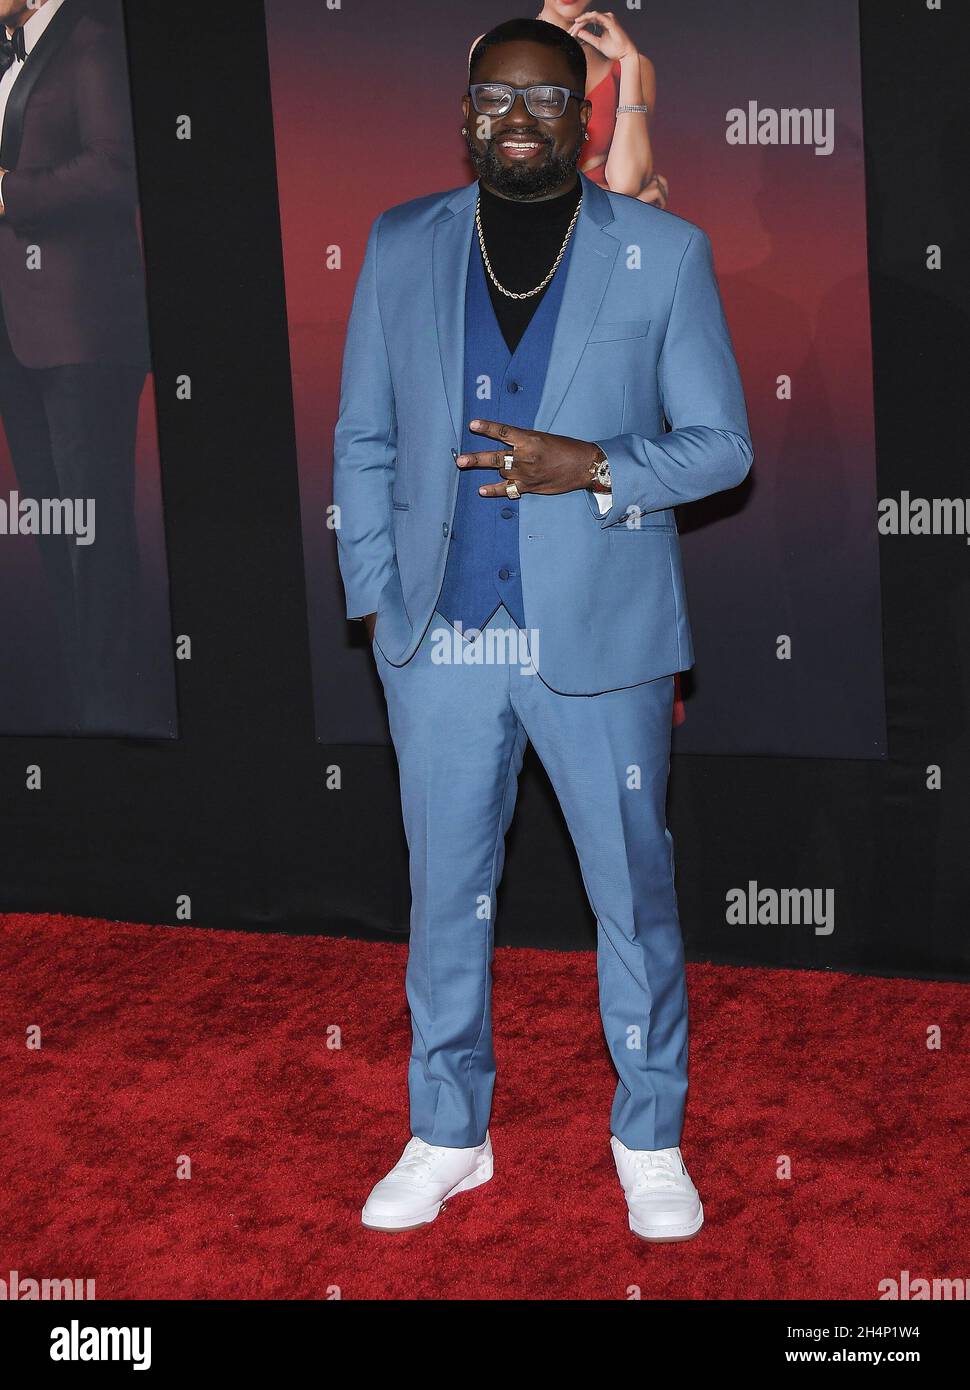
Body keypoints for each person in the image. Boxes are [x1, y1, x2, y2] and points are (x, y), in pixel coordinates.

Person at [333, 18, 752, 1241]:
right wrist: (378, 597)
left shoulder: (663, 254)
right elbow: (363, 436)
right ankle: (448, 1132)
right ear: (465, 112)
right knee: (444, 889)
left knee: (632, 892)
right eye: (494, 95)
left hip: (600, 642)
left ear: (585, 113)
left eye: (546, 98)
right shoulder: (402, 241)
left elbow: (724, 444)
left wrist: (595, 466)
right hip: (437, 643)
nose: (519, 115)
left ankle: (650, 1133)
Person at [0, 0, 151, 731]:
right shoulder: (14, 48)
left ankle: (114, 712)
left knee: (96, 532)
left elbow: (118, 171)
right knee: (56, 528)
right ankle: (79, 710)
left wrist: (8, 193)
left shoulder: (91, 37)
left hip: (82, 334)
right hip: (18, 334)